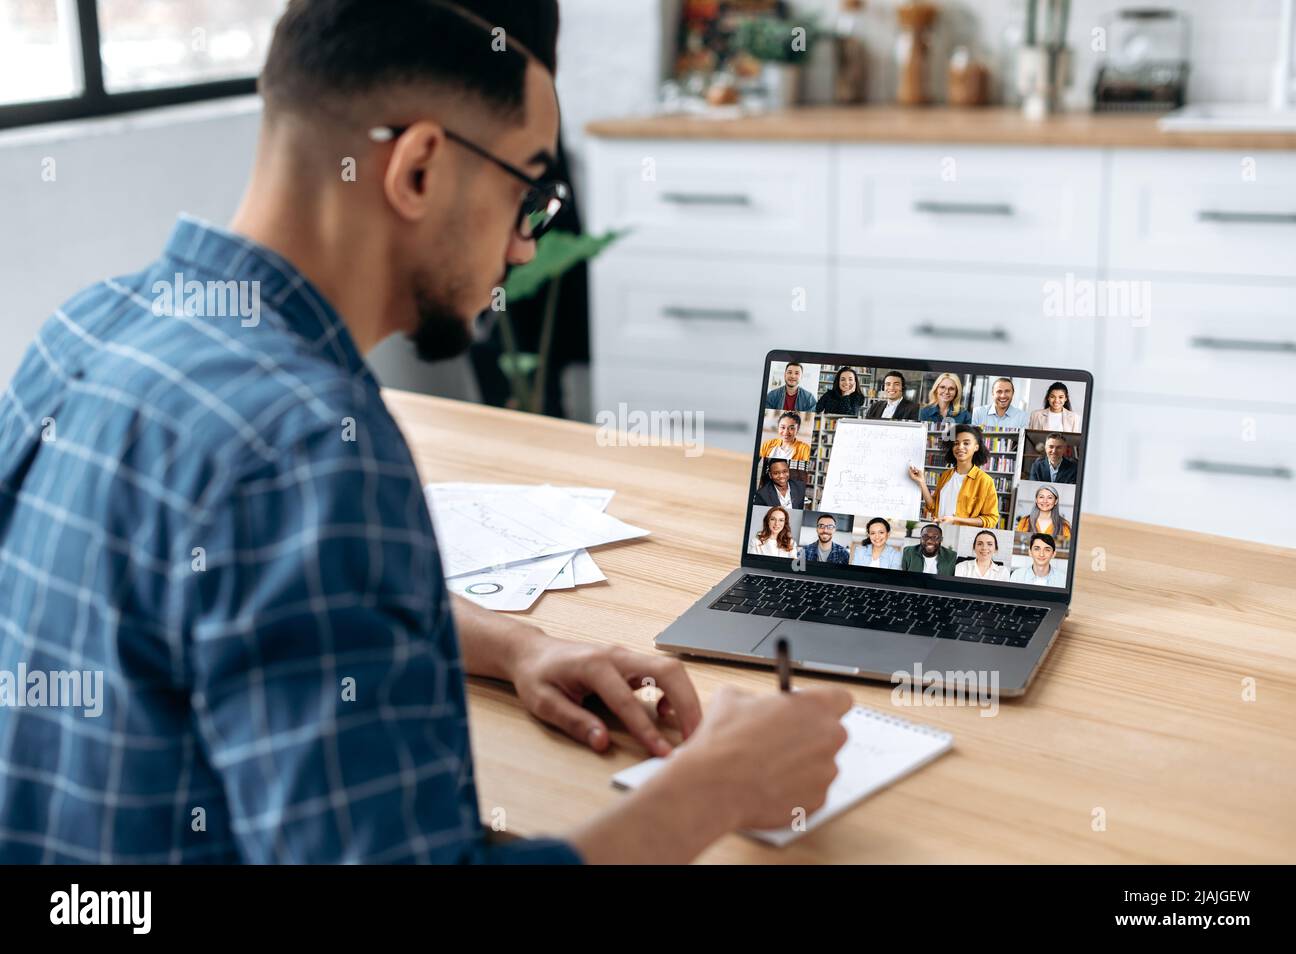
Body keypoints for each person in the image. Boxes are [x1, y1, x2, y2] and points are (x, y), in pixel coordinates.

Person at [0, 0, 853, 865]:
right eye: (530, 192)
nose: (525, 250)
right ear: (416, 169)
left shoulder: (84, 328)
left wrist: (517, 645)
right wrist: (715, 784)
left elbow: (242, 613)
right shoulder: (307, 450)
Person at [908, 424, 1000, 528]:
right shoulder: (946, 475)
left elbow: (991, 519)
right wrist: (921, 482)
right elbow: (933, 507)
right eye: (956, 443)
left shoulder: (985, 481)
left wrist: (955, 520)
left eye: (966, 443)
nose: (960, 447)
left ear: (976, 447)